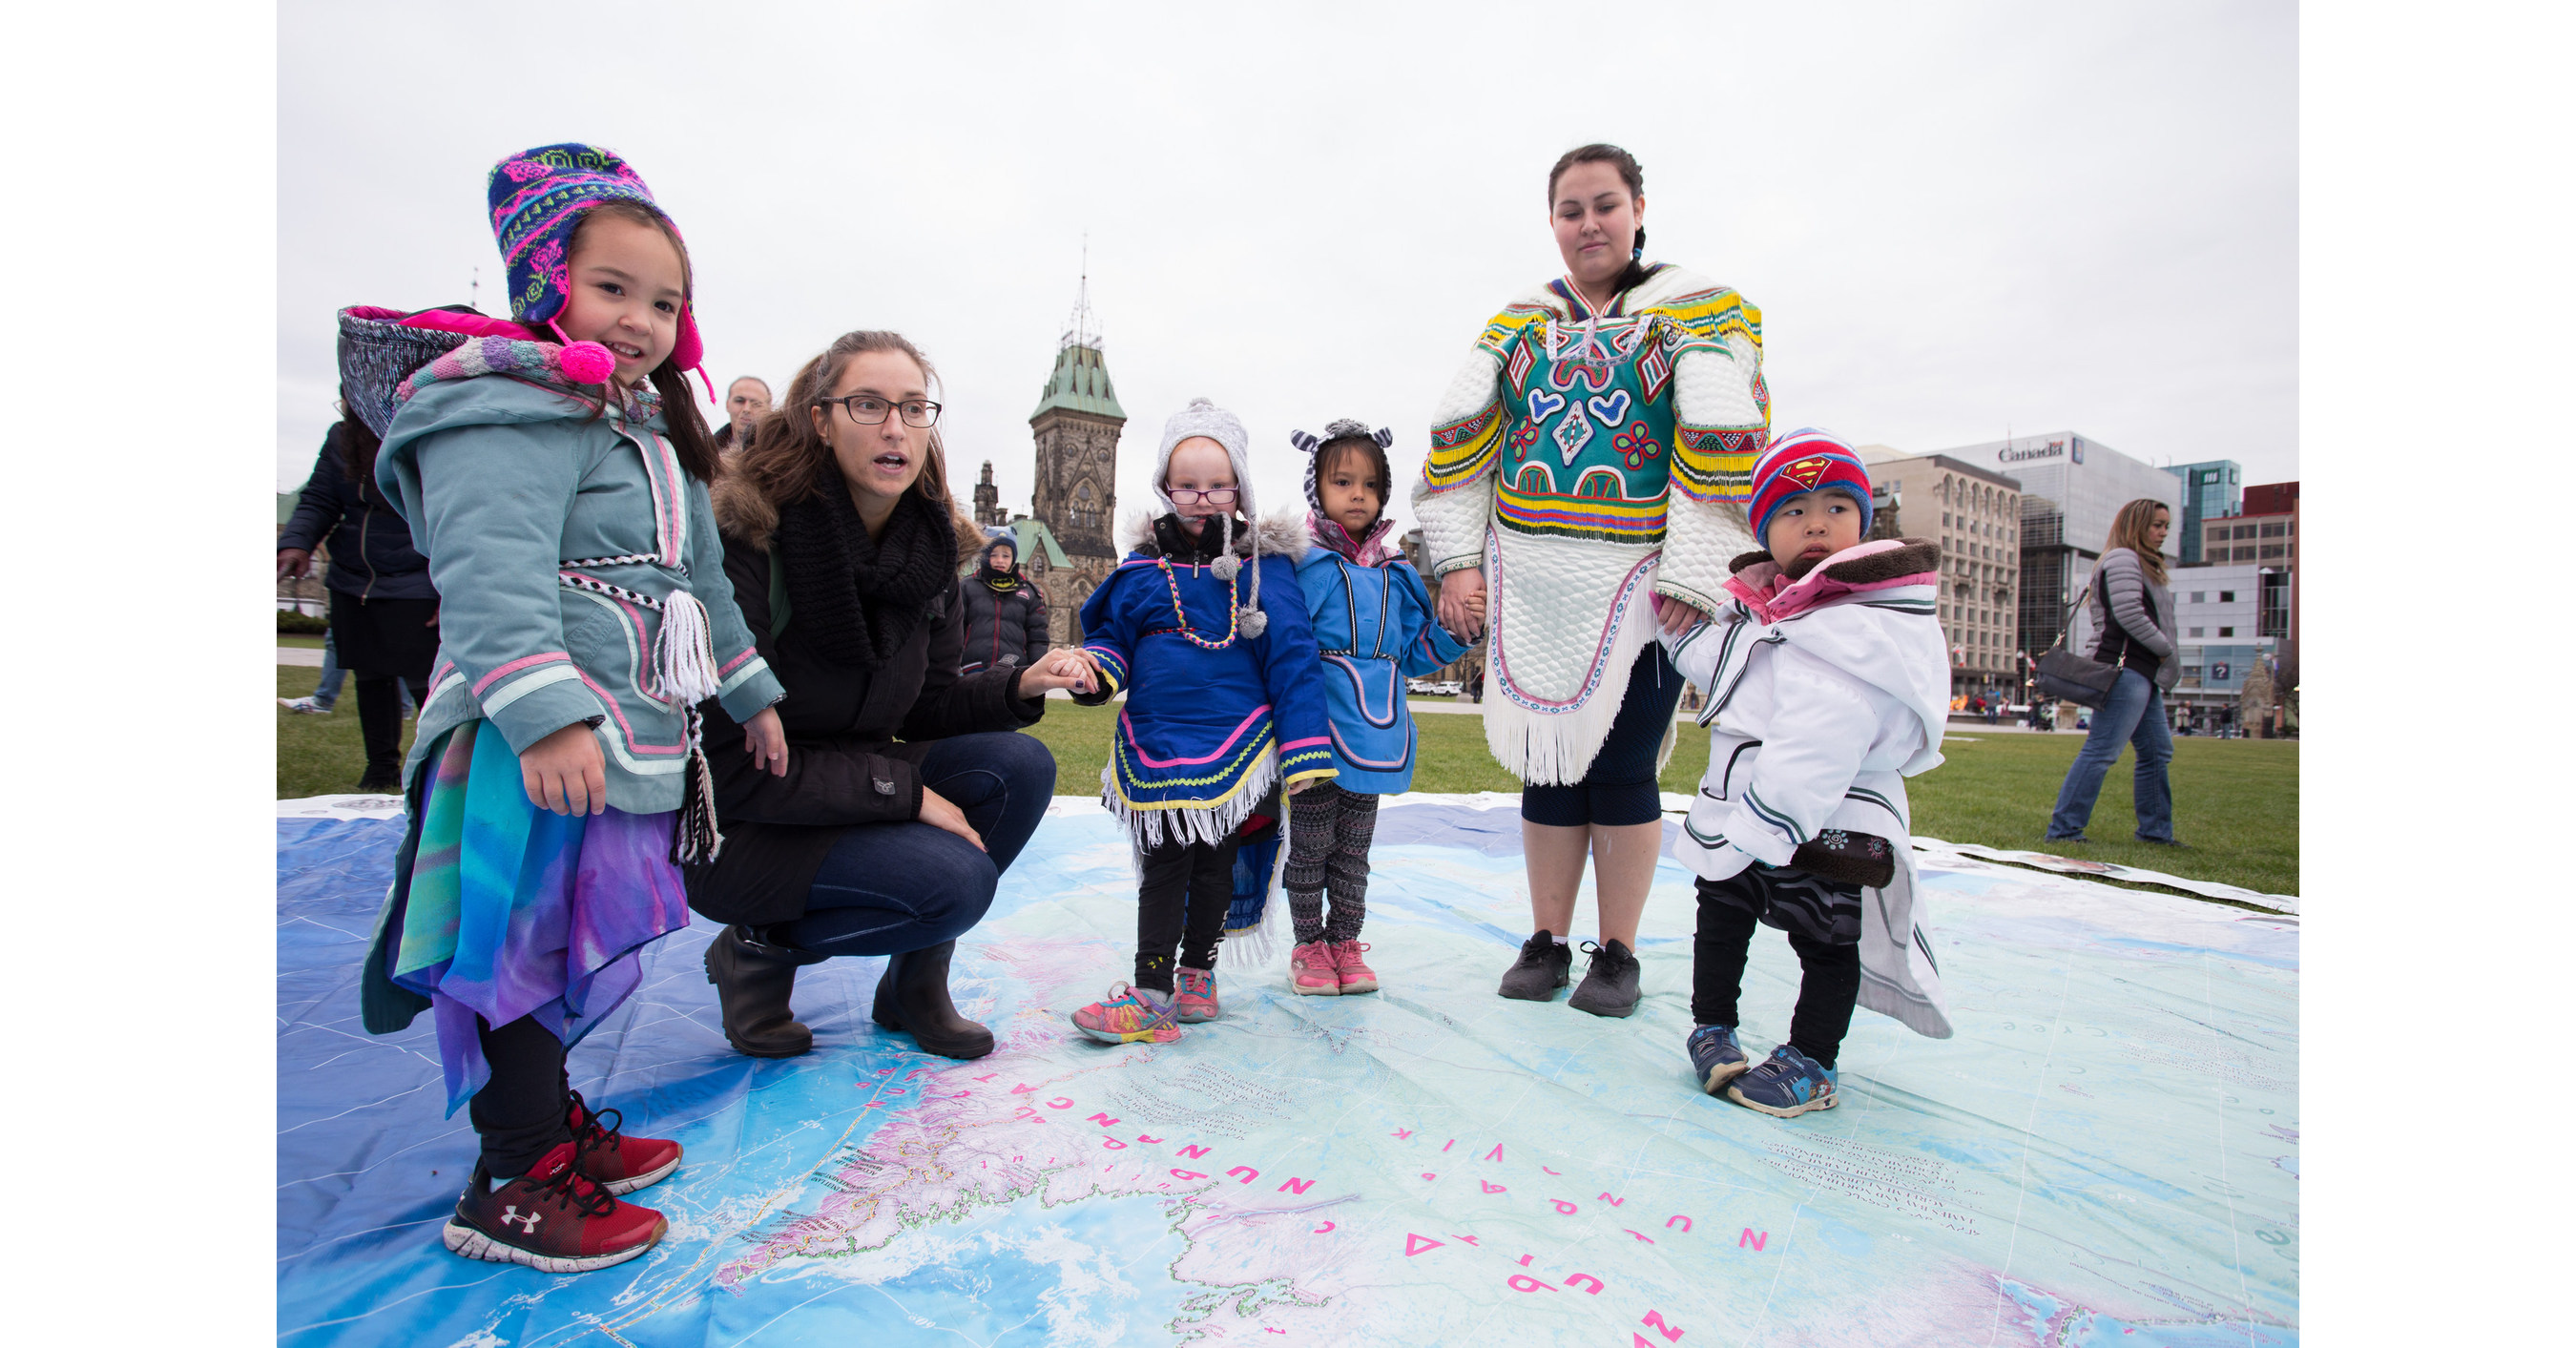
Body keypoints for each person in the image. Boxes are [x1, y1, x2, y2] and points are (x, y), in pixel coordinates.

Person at [351, 144, 787, 1274]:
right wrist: (542, 714)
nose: (641, 319)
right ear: (547, 283)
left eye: (664, 300)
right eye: (614, 289)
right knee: (517, 947)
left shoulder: (648, 430)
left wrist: (752, 695)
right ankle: (512, 1176)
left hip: (625, 732)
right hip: (530, 740)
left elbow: (699, 585)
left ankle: (547, 1130)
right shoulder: (501, 410)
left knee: (552, 942)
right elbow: (489, 569)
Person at [1409, 143, 1768, 1018]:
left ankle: (1619, 951)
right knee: (1547, 772)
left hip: (1643, 586)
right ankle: (1545, 938)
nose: (1590, 223)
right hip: (1530, 582)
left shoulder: (1694, 312)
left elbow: (1720, 444)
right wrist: (1457, 563)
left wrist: (1691, 568)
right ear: (1553, 224)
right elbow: (1459, 446)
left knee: (1624, 773)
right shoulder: (1520, 323)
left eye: (1605, 204)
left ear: (1639, 207)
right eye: (1571, 210)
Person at [688, 330, 1094, 1061]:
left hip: (846, 790)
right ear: (820, 418)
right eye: (868, 404)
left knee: (1021, 765)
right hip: (746, 821)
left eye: (913, 408)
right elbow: (732, 761)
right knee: (953, 882)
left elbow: (926, 705)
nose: (894, 428)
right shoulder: (751, 544)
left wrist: (1018, 685)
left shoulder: (926, 555)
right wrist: (903, 794)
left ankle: (912, 985)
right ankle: (755, 944)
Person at [1661, 432, 1953, 1117]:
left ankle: (1813, 1059)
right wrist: (1680, 630)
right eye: (1793, 510)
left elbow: (1828, 722)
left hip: (1828, 819)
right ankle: (1713, 1026)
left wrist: (1769, 822)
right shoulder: (1772, 605)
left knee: (1827, 934)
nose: (1816, 522)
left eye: (1835, 506)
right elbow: (1743, 668)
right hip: (1750, 803)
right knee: (1722, 911)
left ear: (1863, 520)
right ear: (1766, 530)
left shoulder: (1867, 617)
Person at [1062, 398, 1337, 1045]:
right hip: (1156, 739)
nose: (1203, 496)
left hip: (1236, 747)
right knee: (1163, 865)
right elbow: (1111, 643)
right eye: (1187, 484)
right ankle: (1151, 992)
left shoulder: (1266, 571)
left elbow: (1293, 659)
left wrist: (1303, 752)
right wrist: (1094, 672)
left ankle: (1197, 976)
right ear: (1165, 488)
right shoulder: (1140, 571)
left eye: (1217, 484)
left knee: (1216, 864)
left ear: (1238, 487)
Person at [1283, 420, 1474, 996]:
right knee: (1311, 844)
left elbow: (1414, 656)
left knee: (1355, 849)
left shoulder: (1400, 577)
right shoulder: (1303, 569)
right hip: (1315, 732)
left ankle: (1346, 941)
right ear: (1318, 490)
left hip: (1374, 732)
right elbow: (1283, 651)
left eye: (1369, 484)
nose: (1358, 494)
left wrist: (1458, 633)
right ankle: (1308, 945)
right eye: (1342, 482)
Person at [277, 411, 440, 790]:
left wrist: (446, 582)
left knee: (425, 681)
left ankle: (442, 771)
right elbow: (319, 498)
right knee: (370, 676)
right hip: (353, 579)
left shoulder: (427, 426)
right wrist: (296, 543)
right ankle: (380, 769)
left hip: (416, 578)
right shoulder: (342, 437)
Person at [2046, 498, 2181, 844]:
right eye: (2157, 525)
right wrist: (2166, 649)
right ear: (2136, 526)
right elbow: (2129, 614)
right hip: (2125, 670)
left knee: (2157, 752)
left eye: (2166, 525)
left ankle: (2155, 833)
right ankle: (2064, 829)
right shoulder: (2123, 558)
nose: (2164, 532)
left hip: (2142, 672)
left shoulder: (2143, 563)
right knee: (2102, 751)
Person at [957, 534, 1050, 676]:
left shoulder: (1029, 592)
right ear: (985, 556)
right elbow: (955, 630)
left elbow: (1037, 637)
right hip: (972, 668)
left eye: (1006, 556)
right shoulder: (967, 586)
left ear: (1013, 558)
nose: (1000, 560)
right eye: (993, 554)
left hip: (1013, 671)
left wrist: (1035, 671)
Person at [713, 374, 770, 454]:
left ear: (769, 409)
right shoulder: (703, 452)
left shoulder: (783, 453)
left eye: (756, 403)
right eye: (739, 401)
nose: (746, 409)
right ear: (727, 405)